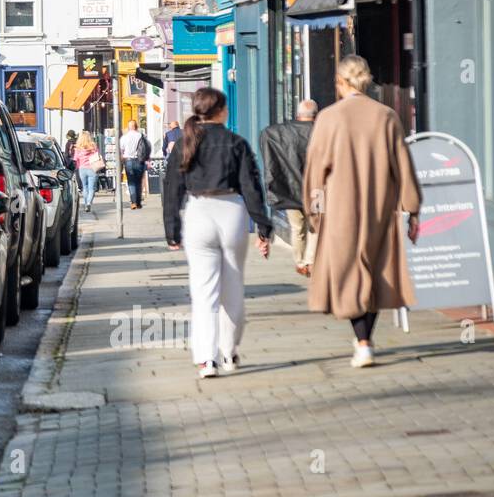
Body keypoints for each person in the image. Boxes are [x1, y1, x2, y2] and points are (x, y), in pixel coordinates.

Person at [303, 55, 421, 369]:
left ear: (340, 82)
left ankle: (363, 342)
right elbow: (403, 166)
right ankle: (366, 339)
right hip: (379, 207)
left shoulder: (328, 118)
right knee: (377, 270)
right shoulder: (386, 116)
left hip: (340, 208)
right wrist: (413, 210)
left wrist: (315, 212)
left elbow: (316, 171)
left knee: (348, 272)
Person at [163, 87, 272, 379]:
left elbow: (171, 188)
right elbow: (251, 187)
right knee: (233, 287)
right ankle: (228, 351)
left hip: (198, 213)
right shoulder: (236, 143)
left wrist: (172, 230)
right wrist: (264, 227)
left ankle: (206, 360)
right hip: (232, 211)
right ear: (222, 111)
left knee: (203, 293)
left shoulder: (185, 143)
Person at [259, 100, 318, 277]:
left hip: (290, 190)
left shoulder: (279, 132)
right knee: (315, 227)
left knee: (297, 228)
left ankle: (300, 261)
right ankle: (310, 261)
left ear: (298, 114)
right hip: (316, 191)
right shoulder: (321, 131)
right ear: (316, 114)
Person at [118, 120, 150, 209]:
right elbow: (146, 148)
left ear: (129, 127)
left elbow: (121, 150)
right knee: (138, 182)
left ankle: (133, 202)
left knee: (131, 182)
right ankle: (139, 202)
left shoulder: (124, 137)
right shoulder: (142, 136)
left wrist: (122, 160)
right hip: (139, 161)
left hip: (128, 161)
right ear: (136, 126)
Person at [72, 131, 103, 213]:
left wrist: (77, 167)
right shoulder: (93, 146)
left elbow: (75, 159)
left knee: (84, 187)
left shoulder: (78, 148)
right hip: (92, 168)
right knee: (91, 188)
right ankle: (89, 203)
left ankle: (86, 204)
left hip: (82, 169)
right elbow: (97, 156)